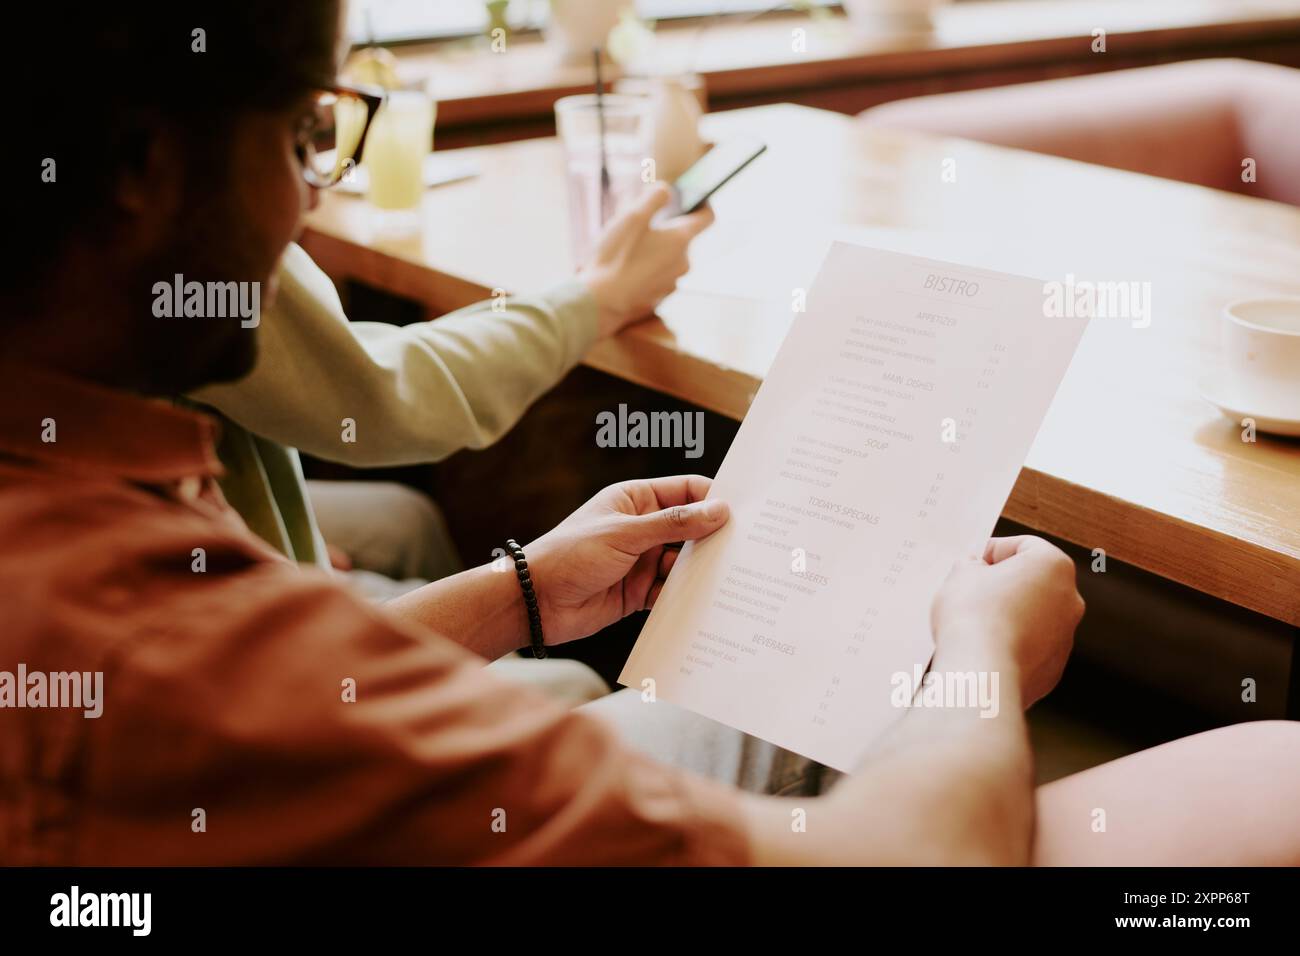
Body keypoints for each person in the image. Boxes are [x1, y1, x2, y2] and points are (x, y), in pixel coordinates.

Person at [4, 1, 1299, 866]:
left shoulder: (111, 531)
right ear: (138, 165)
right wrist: (977, 666)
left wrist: (516, 593)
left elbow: (275, 687)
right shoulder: (149, 644)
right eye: (300, 136)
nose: (305, 202)